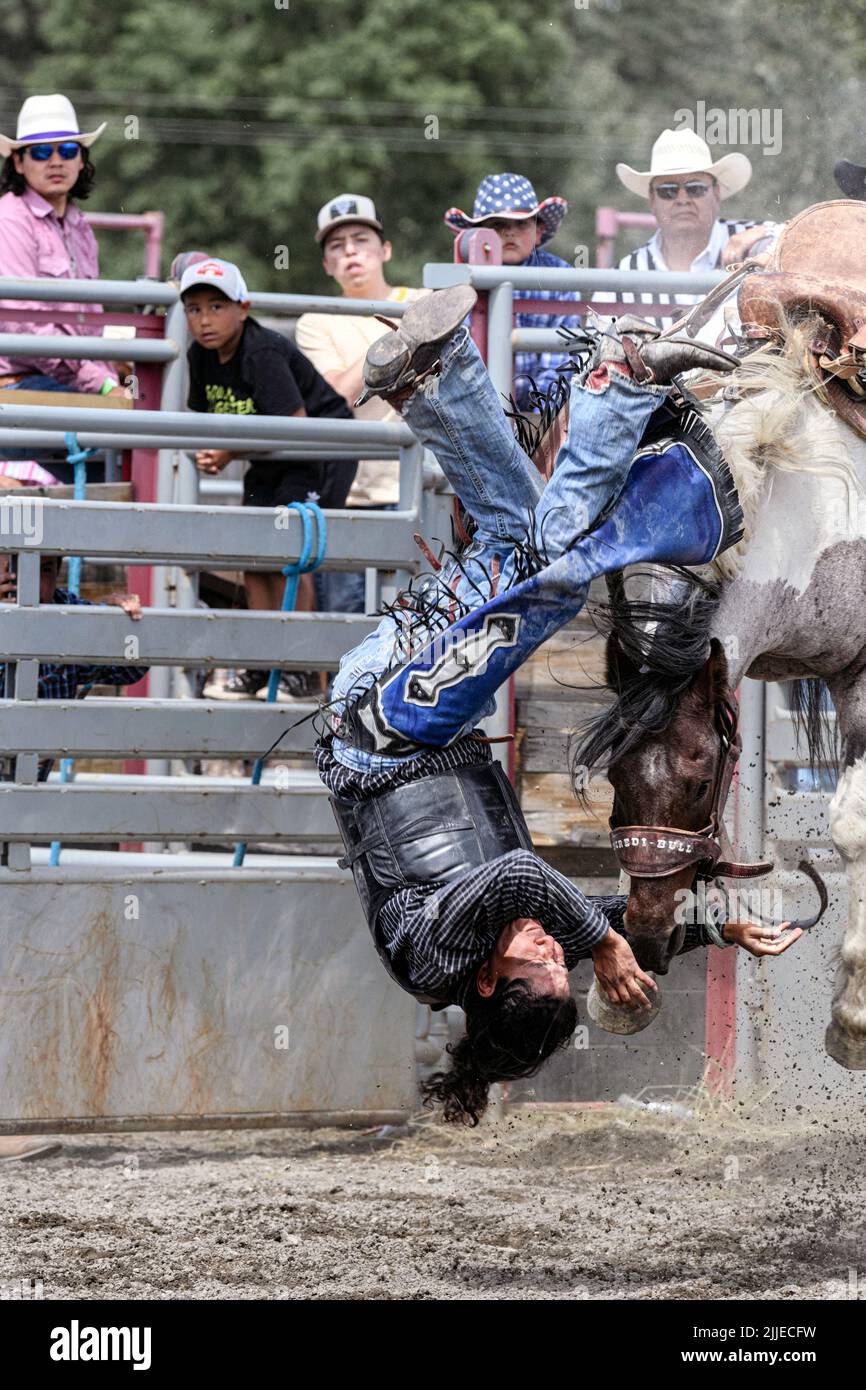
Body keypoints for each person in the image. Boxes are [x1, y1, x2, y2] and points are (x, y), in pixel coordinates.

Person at [314, 286, 801, 1125]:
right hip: (416, 715)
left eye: (538, 963)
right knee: (524, 535)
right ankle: (435, 378)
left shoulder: (433, 957)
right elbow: (594, 915)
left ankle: (618, 381)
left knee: (559, 577)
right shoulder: (491, 946)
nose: (551, 948)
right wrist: (715, 930)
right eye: (557, 962)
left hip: (387, 731)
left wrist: (601, 947)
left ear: (487, 981)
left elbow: (515, 877)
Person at [180, 255, 353, 701]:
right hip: (268, 455)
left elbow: (293, 422)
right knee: (254, 551)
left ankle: (299, 669)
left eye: (217, 307)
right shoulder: (200, 356)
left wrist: (227, 452)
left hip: (317, 450)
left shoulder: (263, 351)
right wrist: (211, 452)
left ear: (243, 307)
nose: (205, 320)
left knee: (294, 549)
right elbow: (206, 418)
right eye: (194, 309)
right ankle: (261, 664)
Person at [295, 195, 427, 615]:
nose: (350, 251)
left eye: (360, 239)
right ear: (326, 265)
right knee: (346, 627)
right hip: (348, 497)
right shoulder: (317, 320)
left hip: (418, 493)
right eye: (336, 246)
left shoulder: (423, 299)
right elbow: (337, 400)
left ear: (385, 250)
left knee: (417, 629)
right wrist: (394, 330)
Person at [0, 95, 126, 399]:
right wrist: (103, 384)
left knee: (142, 408)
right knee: (116, 427)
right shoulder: (9, 219)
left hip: (65, 380)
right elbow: (25, 324)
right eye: (42, 152)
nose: (56, 161)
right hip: (17, 382)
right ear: (18, 162)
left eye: (67, 150)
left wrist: (109, 379)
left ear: (81, 160)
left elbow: (90, 318)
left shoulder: (78, 226)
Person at [597, 128, 780, 334]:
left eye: (695, 188)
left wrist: (770, 232)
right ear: (652, 201)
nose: (682, 199)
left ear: (716, 193)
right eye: (668, 190)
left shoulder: (757, 242)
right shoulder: (621, 280)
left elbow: (814, 235)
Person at [443, 172, 581, 412]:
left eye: (521, 223)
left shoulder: (559, 277)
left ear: (538, 232)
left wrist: (540, 417)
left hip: (543, 410)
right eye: (498, 225)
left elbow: (563, 359)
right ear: (477, 234)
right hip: (478, 407)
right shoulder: (463, 279)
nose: (510, 232)